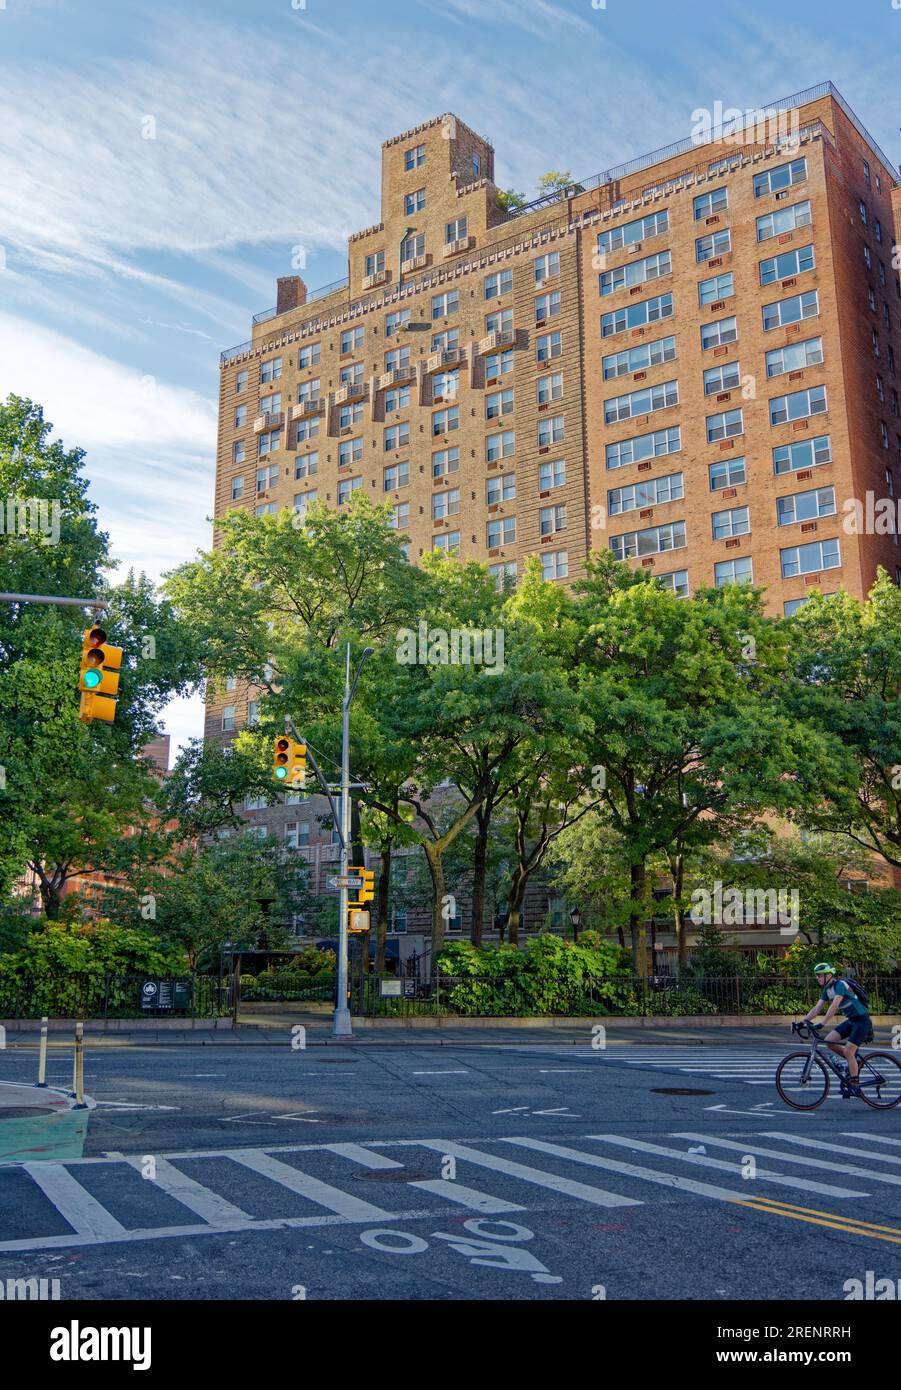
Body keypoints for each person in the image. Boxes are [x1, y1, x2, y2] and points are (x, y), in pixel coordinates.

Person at [800, 963, 872, 1095]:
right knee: (829, 1041)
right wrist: (802, 1022)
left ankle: (856, 1087)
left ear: (828, 975)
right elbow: (817, 1008)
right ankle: (852, 1062)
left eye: (819, 975)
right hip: (851, 1021)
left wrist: (822, 1023)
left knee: (849, 1051)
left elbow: (834, 1006)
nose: (817, 978)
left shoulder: (839, 985)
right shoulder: (827, 990)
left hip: (862, 1021)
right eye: (817, 976)